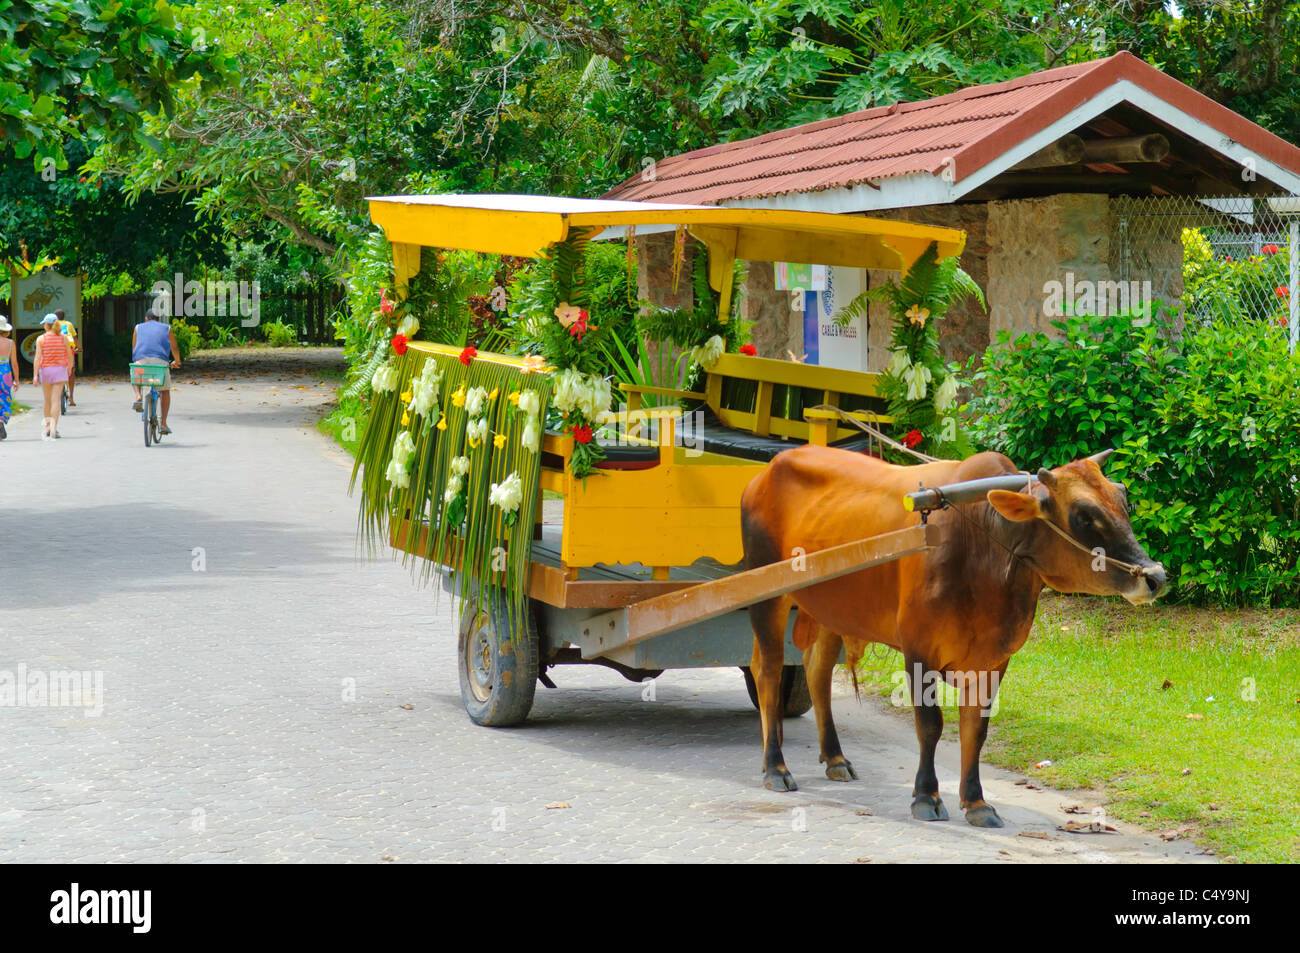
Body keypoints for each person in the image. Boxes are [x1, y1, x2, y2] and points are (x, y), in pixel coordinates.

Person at [131, 308, 181, 434]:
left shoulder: (138, 327)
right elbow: (174, 347)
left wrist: (137, 359)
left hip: (141, 360)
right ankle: (163, 424)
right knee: (164, 391)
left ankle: (138, 396)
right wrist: (177, 361)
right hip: (160, 363)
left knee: (135, 372)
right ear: (159, 320)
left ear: (146, 319)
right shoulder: (166, 328)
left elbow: (134, 347)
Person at [32, 313, 72, 440]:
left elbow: (37, 358)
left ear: (46, 325)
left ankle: (48, 427)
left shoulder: (41, 339)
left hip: (46, 370)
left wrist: (35, 375)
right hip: (60, 370)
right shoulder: (63, 338)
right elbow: (69, 356)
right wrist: (69, 369)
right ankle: (54, 428)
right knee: (56, 400)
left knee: (47, 400)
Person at [54, 308, 80, 406]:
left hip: (56, 348)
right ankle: (71, 398)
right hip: (69, 347)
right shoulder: (68, 324)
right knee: (71, 372)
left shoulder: (52, 325)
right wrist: (79, 348)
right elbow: (74, 338)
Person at [0, 316, 17, 440]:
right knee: (5, 397)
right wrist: (16, 379)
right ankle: (1, 420)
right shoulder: (10, 343)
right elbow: (14, 362)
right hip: (5, 372)